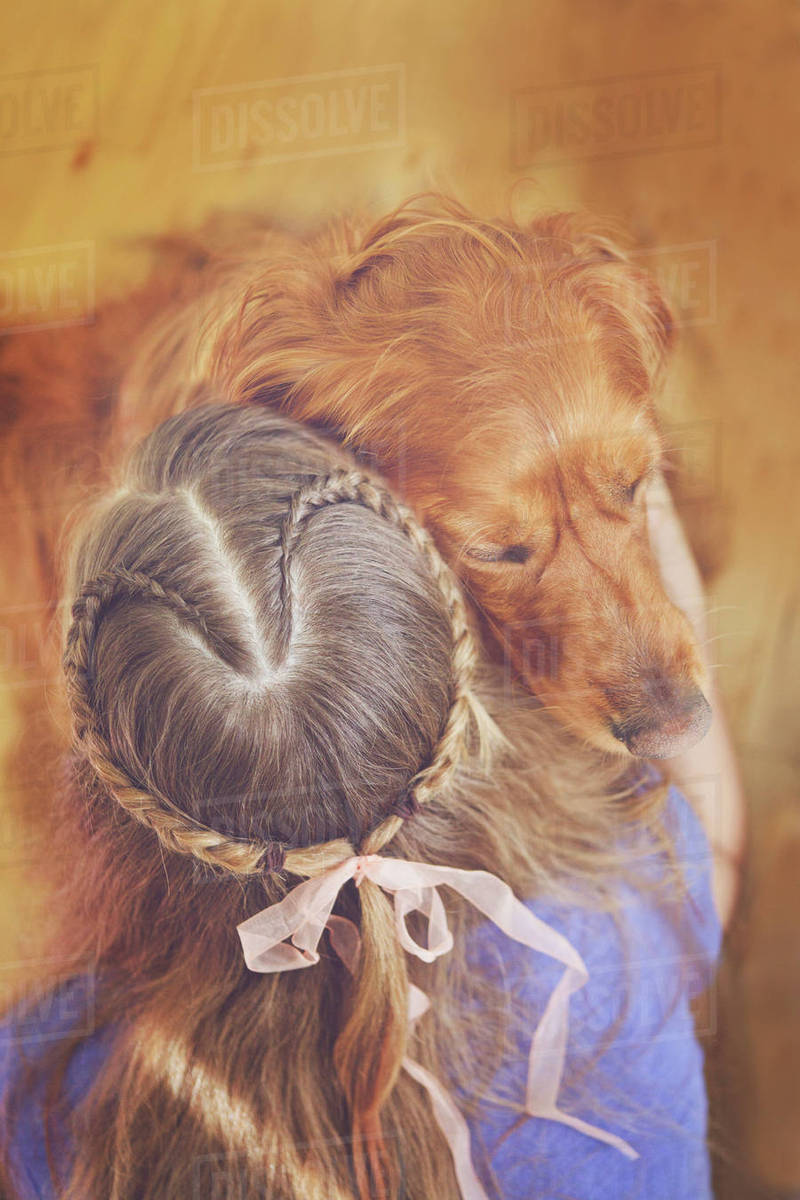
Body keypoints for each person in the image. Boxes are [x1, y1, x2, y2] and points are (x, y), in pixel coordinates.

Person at [0, 403, 722, 1199]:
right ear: (447, 654)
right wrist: (636, 491)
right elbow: (721, 851)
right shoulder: (621, 895)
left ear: (104, 788)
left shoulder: (42, 1093)